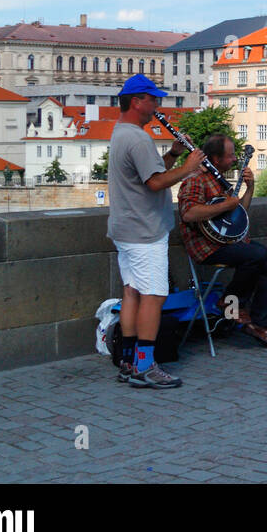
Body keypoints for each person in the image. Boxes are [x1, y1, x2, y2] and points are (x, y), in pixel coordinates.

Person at [107, 74, 204, 388]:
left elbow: (149, 172)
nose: (157, 106)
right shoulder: (137, 138)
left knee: (132, 293)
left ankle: (128, 359)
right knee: (154, 294)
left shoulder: (121, 133)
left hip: (127, 229)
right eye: (153, 100)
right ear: (137, 101)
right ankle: (145, 368)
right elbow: (155, 182)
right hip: (144, 231)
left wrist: (174, 155)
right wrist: (188, 167)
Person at [178, 133, 267, 348]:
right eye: (230, 155)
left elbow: (238, 214)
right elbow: (188, 214)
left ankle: (261, 324)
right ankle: (231, 304)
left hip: (228, 242)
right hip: (207, 247)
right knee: (256, 256)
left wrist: (250, 187)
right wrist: (225, 205)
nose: (235, 159)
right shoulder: (195, 179)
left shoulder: (220, 180)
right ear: (215, 159)